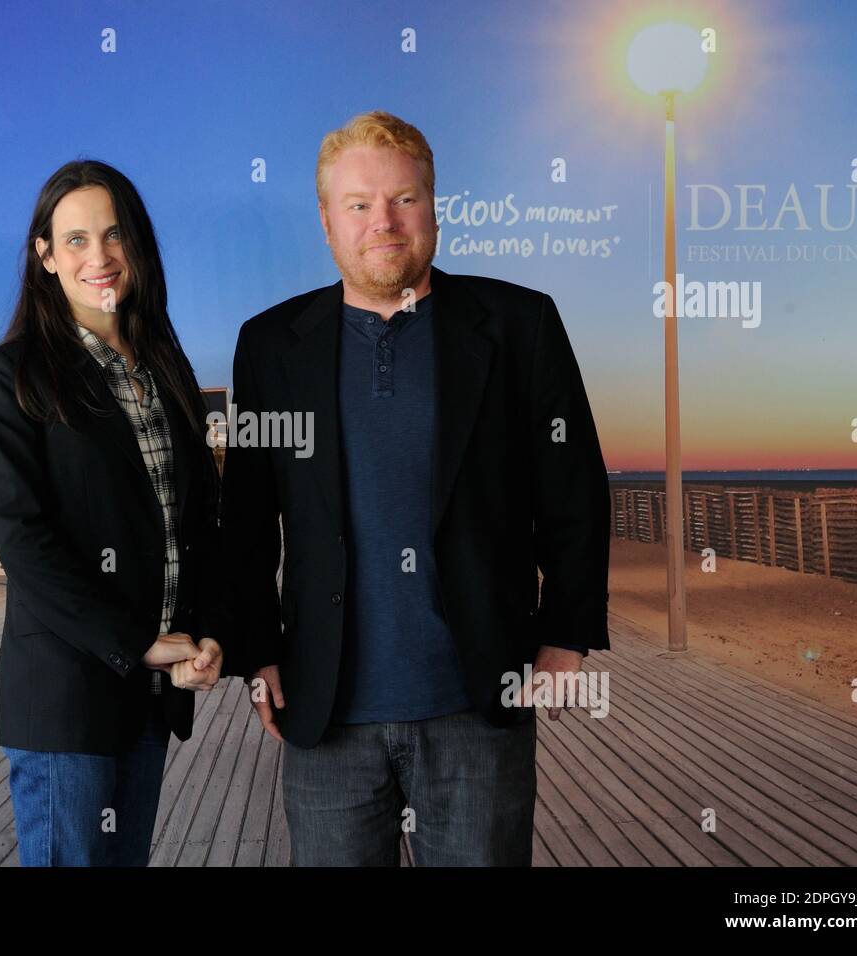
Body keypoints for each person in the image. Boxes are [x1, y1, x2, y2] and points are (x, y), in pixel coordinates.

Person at [223, 111, 611, 866]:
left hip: (477, 704)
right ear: (328, 223)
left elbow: (573, 491)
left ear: (434, 207)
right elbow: (245, 518)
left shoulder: (519, 325)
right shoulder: (270, 346)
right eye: (359, 205)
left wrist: (565, 637)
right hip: (325, 708)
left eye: (404, 199)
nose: (384, 222)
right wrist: (255, 651)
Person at [0, 159, 229, 866]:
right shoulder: (16, 376)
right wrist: (132, 640)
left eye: (114, 235)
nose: (100, 256)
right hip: (66, 702)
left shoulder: (164, 370)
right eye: (77, 239)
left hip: (149, 697)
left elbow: (198, 520)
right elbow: (23, 540)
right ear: (46, 256)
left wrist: (204, 631)